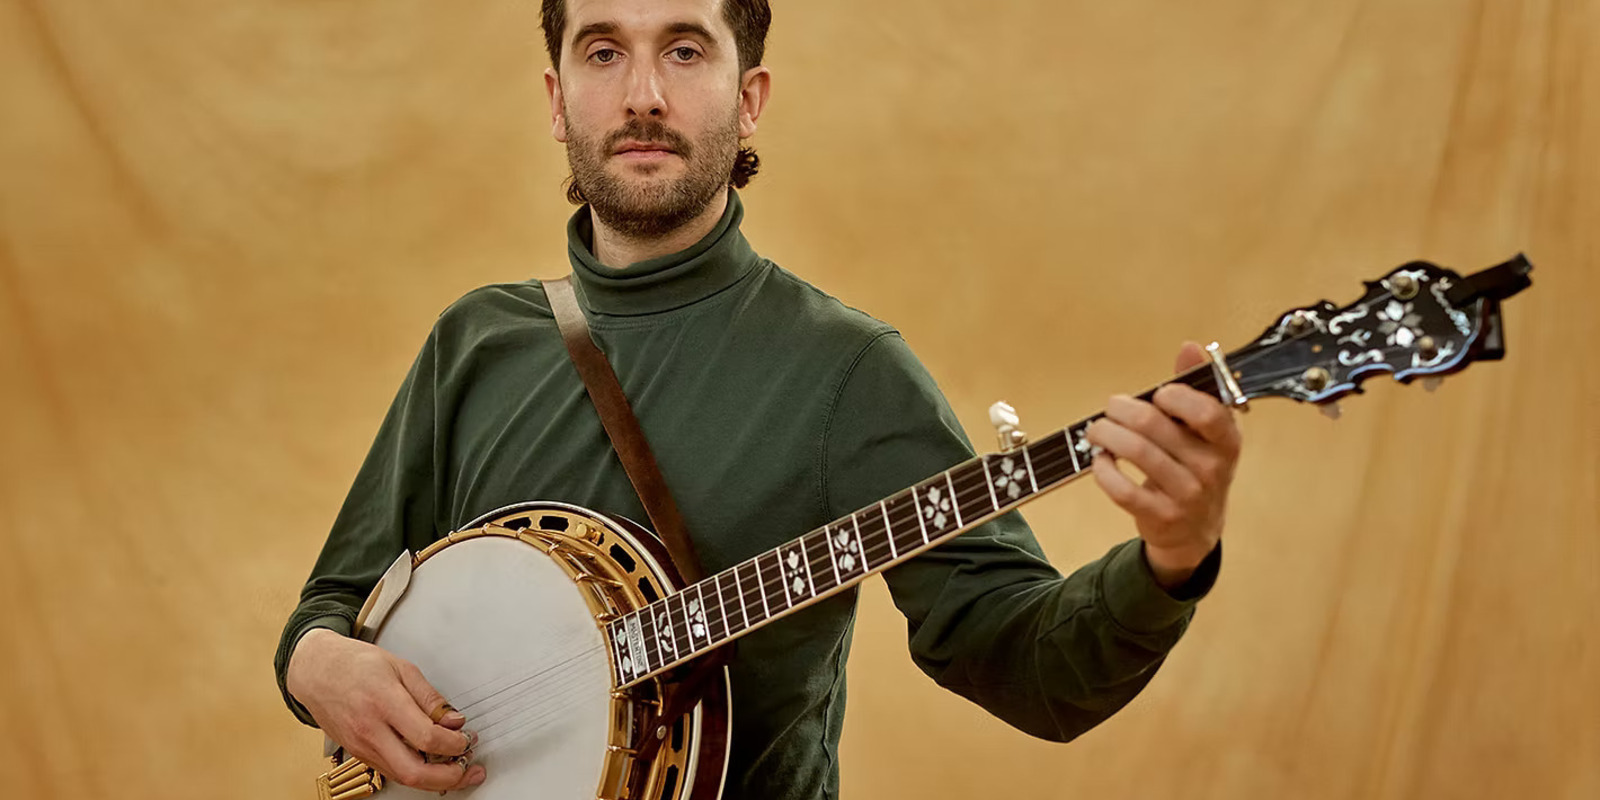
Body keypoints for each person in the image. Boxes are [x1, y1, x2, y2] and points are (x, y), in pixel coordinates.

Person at [276, 0, 1240, 796]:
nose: (643, 95)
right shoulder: (476, 343)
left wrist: (1172, 557)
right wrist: (317, 665)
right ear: (557, 99)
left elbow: (1033, 674)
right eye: (603, 51)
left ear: (749, 99)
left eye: (685, 49)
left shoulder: (847, 371)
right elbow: (333, 603)